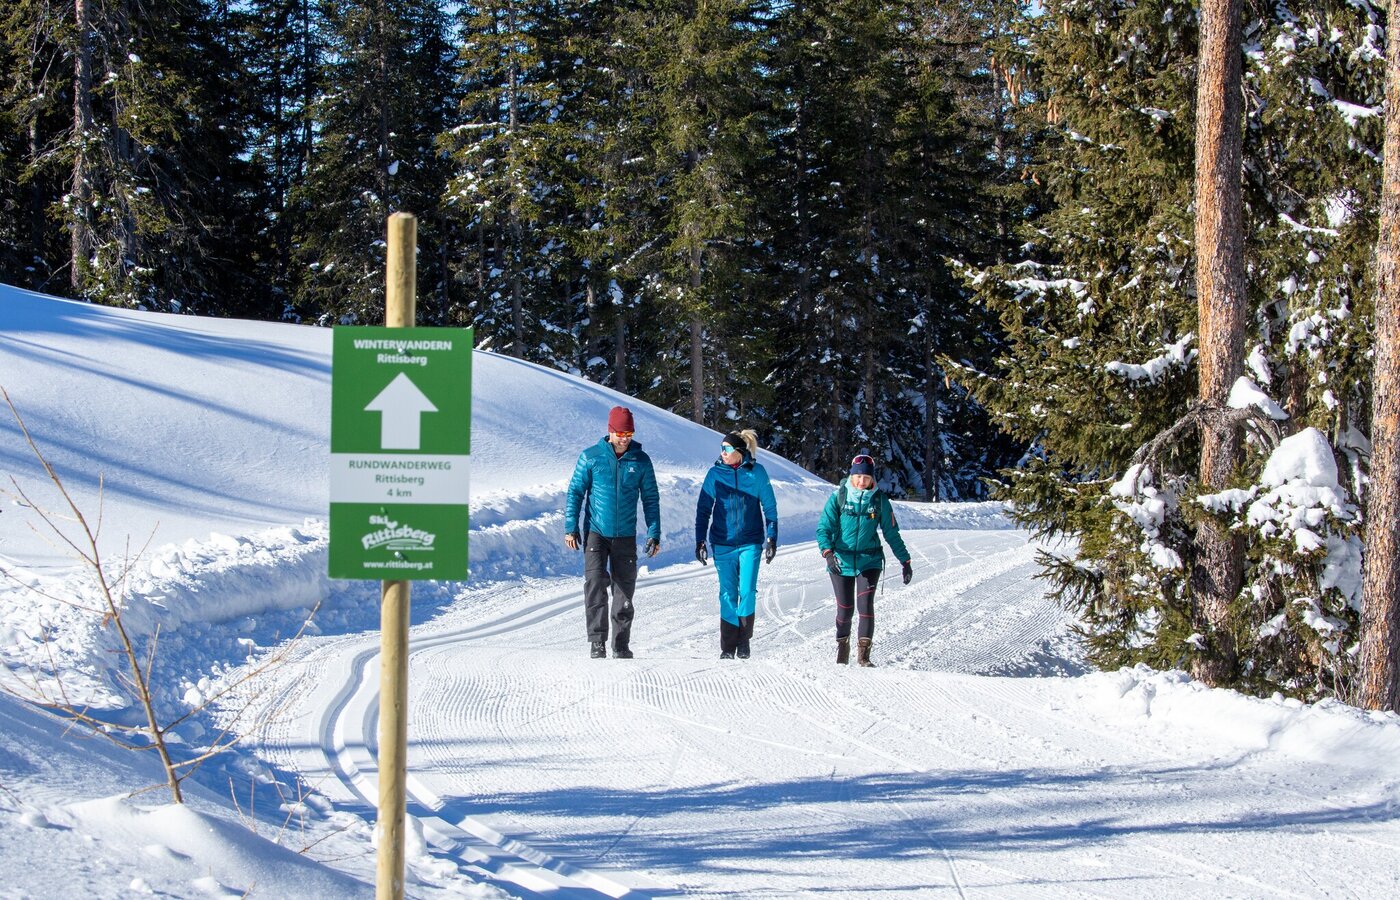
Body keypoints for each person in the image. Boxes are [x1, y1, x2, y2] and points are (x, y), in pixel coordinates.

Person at [564, 406, 661, 659]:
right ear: (610, 431)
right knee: (595, 584)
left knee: (624, 591)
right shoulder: (591, 456)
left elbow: (650, 498)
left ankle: (620, 644)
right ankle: (597, 641)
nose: (624, 438)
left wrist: (654, 532)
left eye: (629, 433)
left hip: (626, 535)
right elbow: (575, 492)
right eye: (620, 433)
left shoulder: (641, 461)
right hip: (596, 532)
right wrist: (570, 527)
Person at [815, 452, 912, 667]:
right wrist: (828, 553)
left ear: (872, 479)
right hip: (841, 560)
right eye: (858, 477)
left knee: (865, 605)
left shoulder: (879, 501)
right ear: (851, 476)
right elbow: (824, 529)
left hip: (870, 560)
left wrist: (905, 561)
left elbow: (891, 533)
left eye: (866, 478)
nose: (862, 481)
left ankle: (864, 657)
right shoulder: (839, 497)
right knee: (845, 609)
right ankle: (842, 647)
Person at [694, 430, 779, 660]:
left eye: (728, 449)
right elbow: (703, 510)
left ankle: (743, 640)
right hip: (722, 543)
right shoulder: (714, 474)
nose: (723, 452)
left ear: (739, 451)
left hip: (750, 542)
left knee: (747, 591)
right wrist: (700, 539)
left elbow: (769, 508)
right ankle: (727, 647)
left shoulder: (757, 473)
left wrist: (772, 537)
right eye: (721, 448)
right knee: (728, 594)